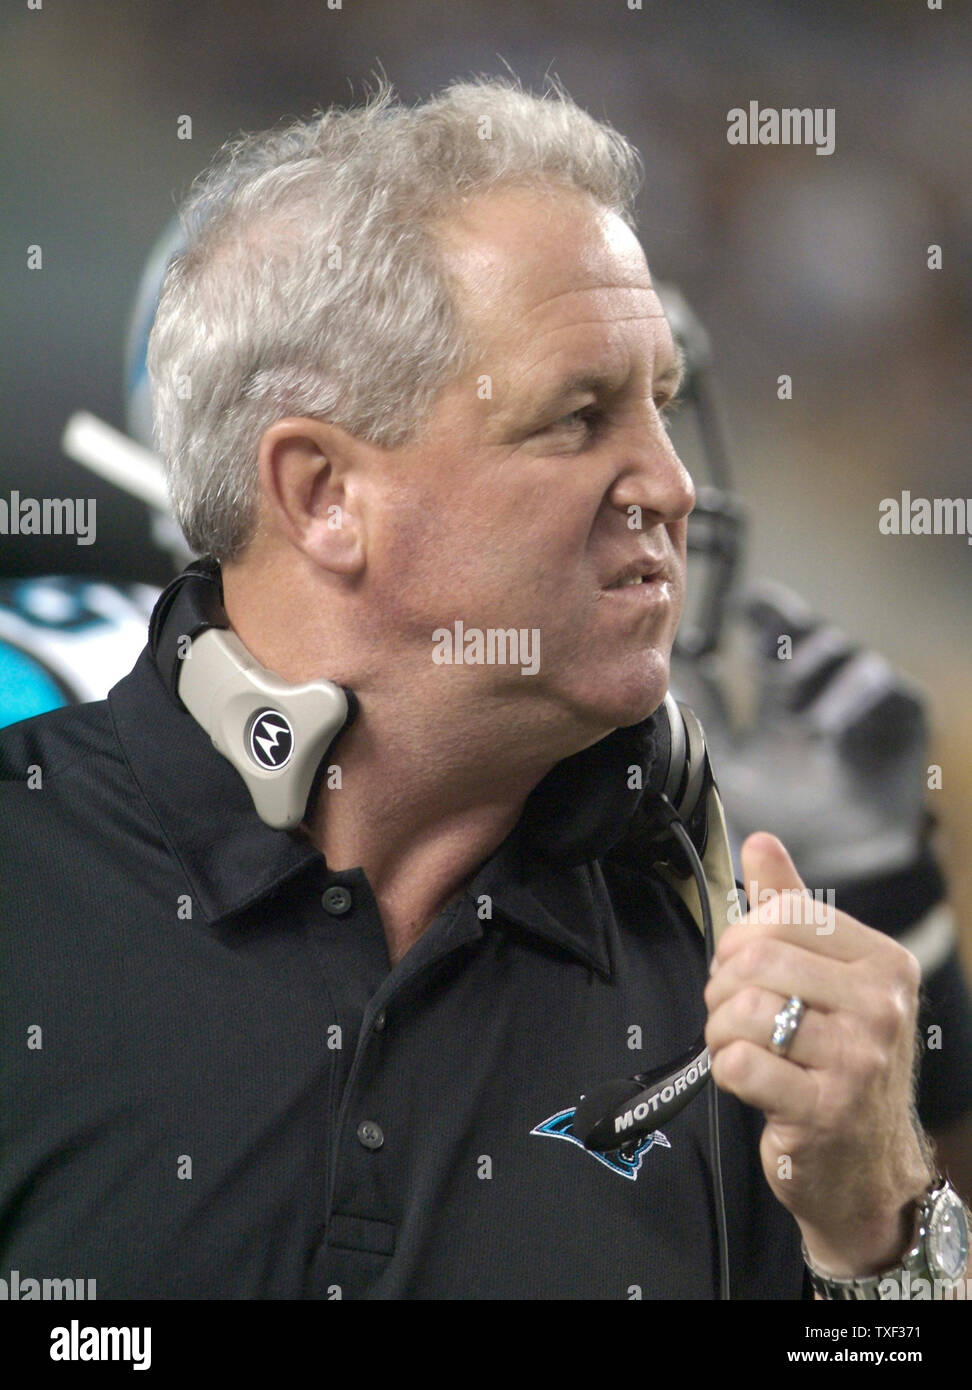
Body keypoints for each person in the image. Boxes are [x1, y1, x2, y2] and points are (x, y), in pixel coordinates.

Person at [1, 76, 968, 1300]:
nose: (669, 485)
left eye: (660, 407)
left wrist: (884, 1233)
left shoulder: (717, 957)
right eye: (580, 416)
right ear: (323, 495)